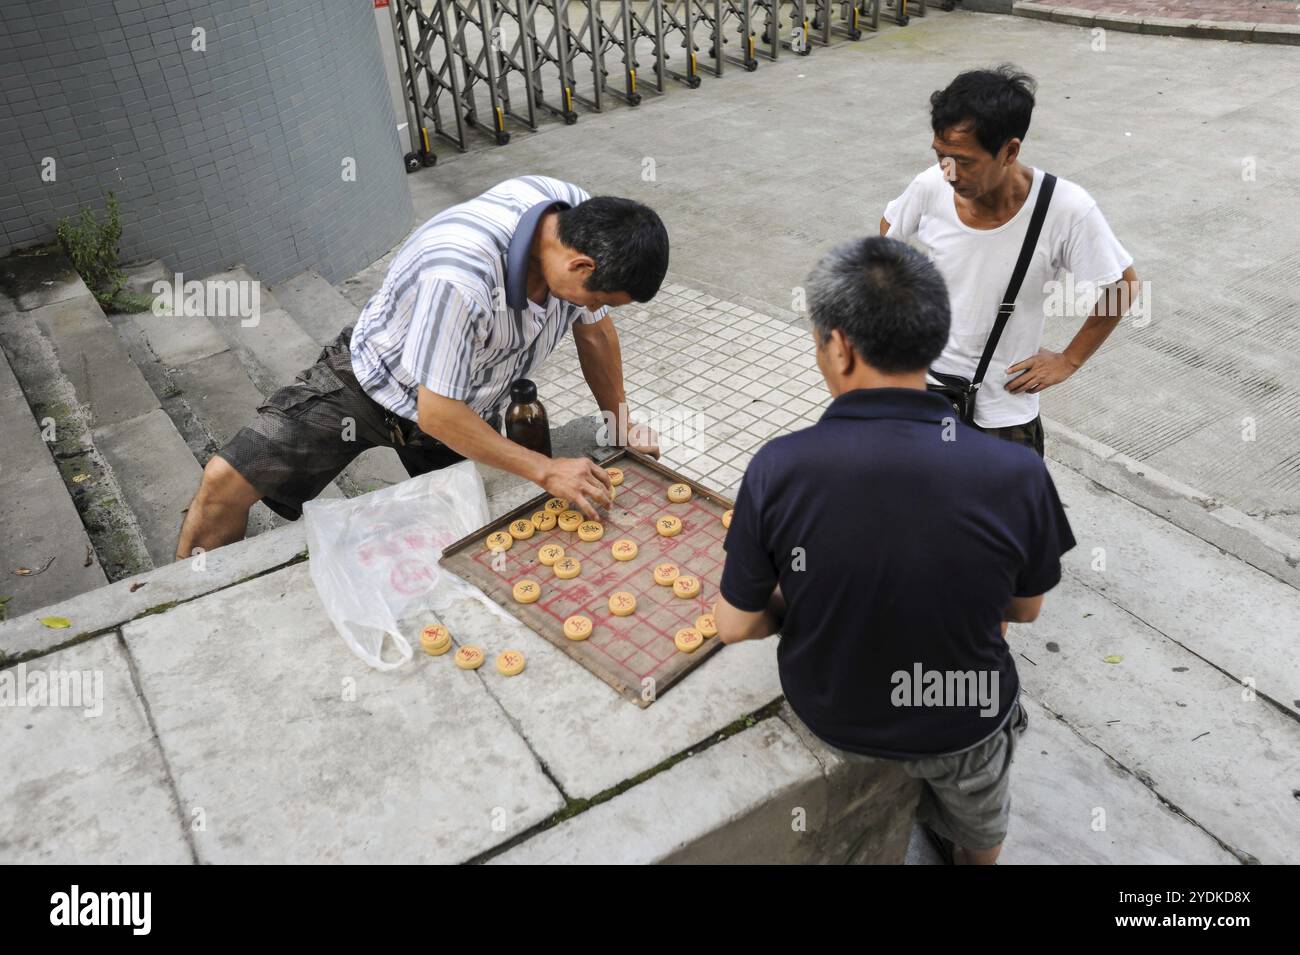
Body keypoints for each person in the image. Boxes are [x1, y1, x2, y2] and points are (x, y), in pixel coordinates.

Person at [716, 236, 1076, 865]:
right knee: (980, 827)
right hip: (965, 715)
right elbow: (1025, 612)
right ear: (934, 342)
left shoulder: (779, 468)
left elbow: (736, 623)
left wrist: (799, 596)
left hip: (836, 715)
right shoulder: (1017, 473)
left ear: (839, 346)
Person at [176, 176, 668, 559]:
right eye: (600, 296)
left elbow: (595, 331)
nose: (597, 307)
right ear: (580, 265)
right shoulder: (462, 276)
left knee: (473, 535)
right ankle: (185, 606)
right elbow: (436, 412)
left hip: (467, 406)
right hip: (370, 383)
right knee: (224, 483)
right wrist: (546, 469)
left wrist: (619, 422)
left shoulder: (576, 215)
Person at [881, 65, 1139, 456]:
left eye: (965, 161)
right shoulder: (928, 187)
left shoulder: (1066, 209)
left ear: (1010, 151)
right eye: (940, 156)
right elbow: (889, 228)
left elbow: (1122, 287)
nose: (949, 172)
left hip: (1003, 412)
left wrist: (1070, 360)